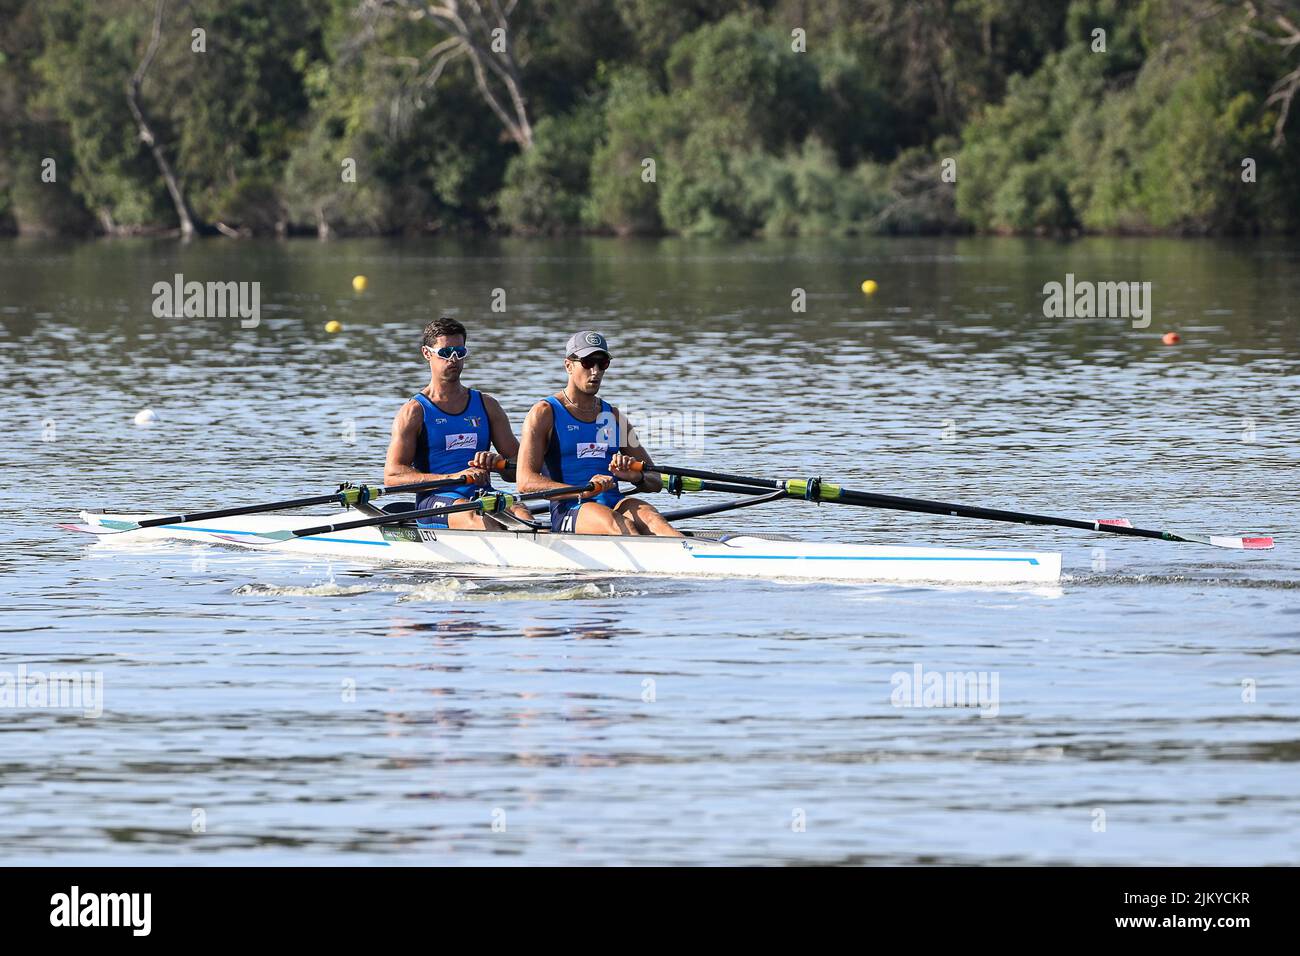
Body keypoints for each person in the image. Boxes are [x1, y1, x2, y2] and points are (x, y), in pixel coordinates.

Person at [516, 331, 682, 536]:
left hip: (615, 503)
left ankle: (693, 558)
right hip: (571, 508)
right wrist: (581, 490)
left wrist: (636, 477)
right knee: (620, 526)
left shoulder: (614, 417)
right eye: (587, 362)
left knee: (653, 519)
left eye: (602, 363)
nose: (595, 371)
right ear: (568, 365)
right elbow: (524, 481)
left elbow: (655, 480)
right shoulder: (544, 413)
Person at [384, 317, 533, 529]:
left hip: (483, 495)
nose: (453, 359)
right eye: (445, 353)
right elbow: (392, 476)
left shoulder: (487, 405)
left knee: (521, 512)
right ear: (427, 353)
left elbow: (520, 468)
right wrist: (452, 477)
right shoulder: (414, 412)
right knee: (478, 517)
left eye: (459, 352)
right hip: (434, 502)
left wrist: (498, 463)